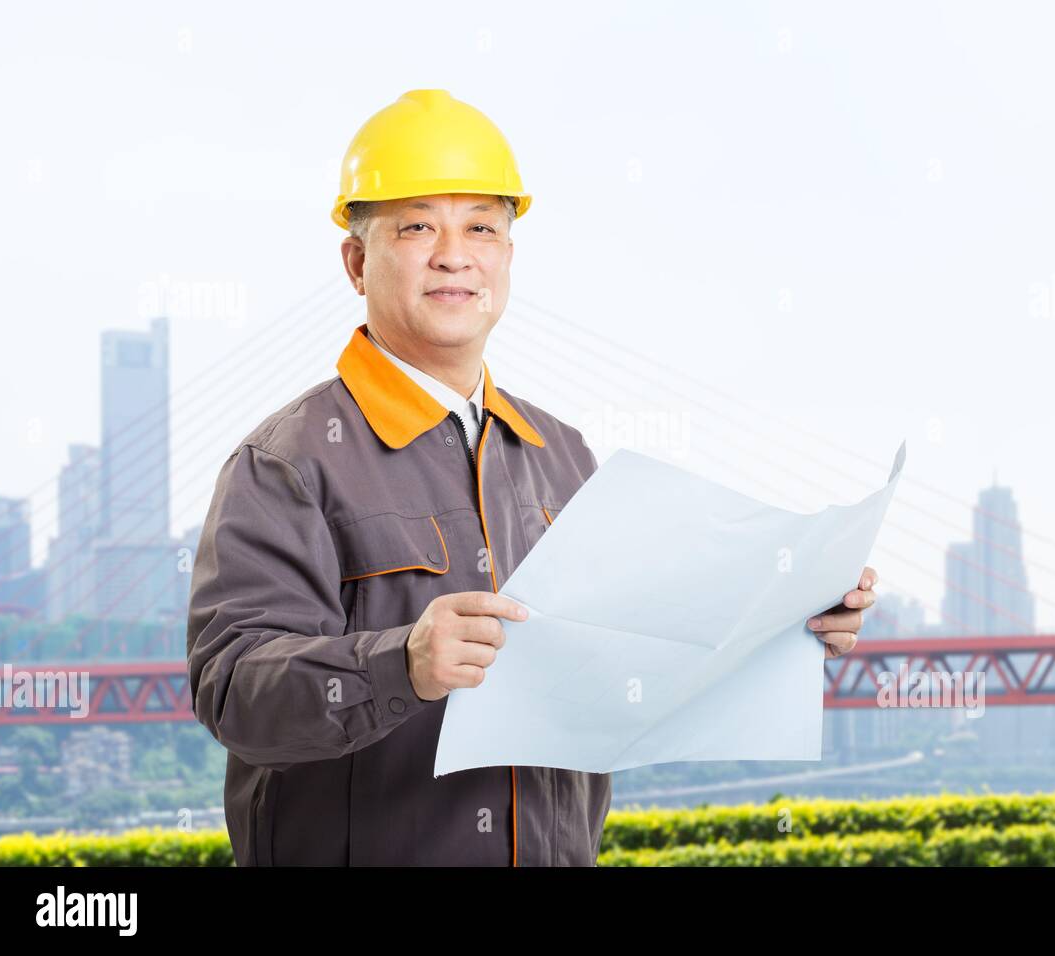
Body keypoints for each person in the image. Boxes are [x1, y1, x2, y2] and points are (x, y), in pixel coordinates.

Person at [185, 89, 878, 866]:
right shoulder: (290, 464)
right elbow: (234, 691)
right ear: (356, 262)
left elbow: (643, 648)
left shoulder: (559, 454)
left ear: (507, 258)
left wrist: (786, 623)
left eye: (482, 226)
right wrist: (400, 664)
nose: (455, 253)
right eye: (417, 226)